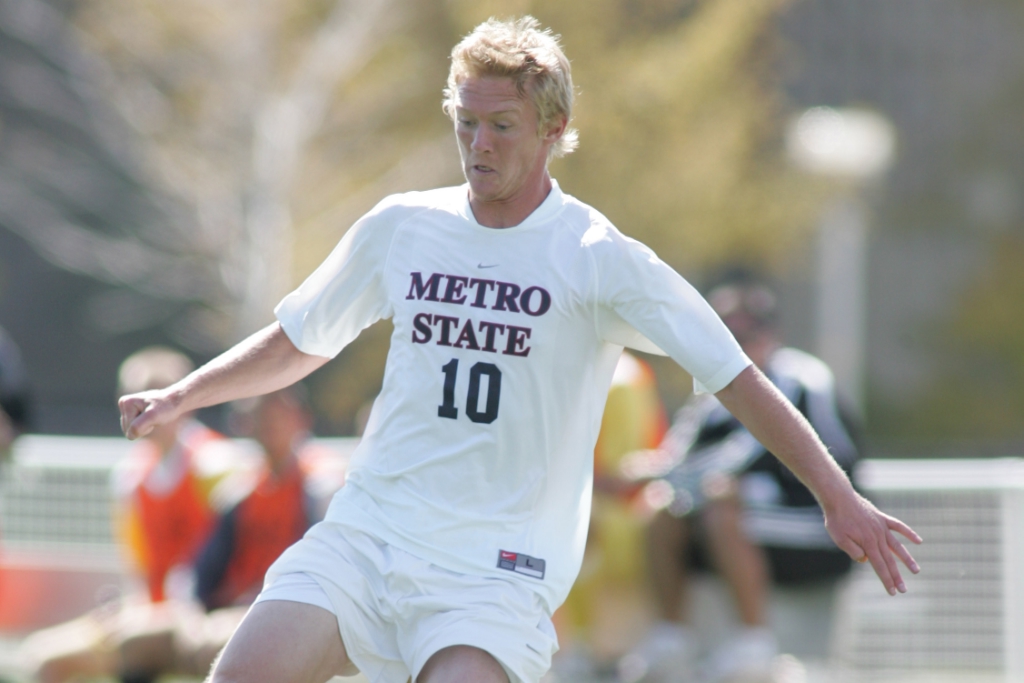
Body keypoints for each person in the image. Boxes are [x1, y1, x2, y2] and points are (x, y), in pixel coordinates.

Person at [118, 16, 921, 683]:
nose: (479, 145)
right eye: (466, 123)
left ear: (553, 128)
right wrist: (186, 394)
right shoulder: (403, 226)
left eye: (502, 125)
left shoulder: (597, 255)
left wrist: (836, 493)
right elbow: (300, 339)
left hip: (492, 571)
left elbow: (736, 376)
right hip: (366, 537)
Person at [618, 275, 863, 682]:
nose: (732, 342)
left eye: (744, 332)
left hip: (813, 518)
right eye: (720, 331)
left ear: (771, 333)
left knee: (719, 501)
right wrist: (639, 472)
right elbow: (674, 458)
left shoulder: (802, 377)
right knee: (663, 505)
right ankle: (671, 640)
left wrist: (728, 483)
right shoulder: (709, 394)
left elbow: (834, 456)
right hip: (737, 517)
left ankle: (754, 647)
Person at [22, 385, 340, 683]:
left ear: (300, 418)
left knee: (220, 644)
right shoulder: (241, 492)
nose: (266, 424)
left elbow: (321, 574)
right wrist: (189, 612)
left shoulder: (322, 485)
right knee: (133, 641)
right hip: (216, 613)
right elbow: (198, 572)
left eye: (275, 414)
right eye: (258, 415)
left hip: (281, 613)